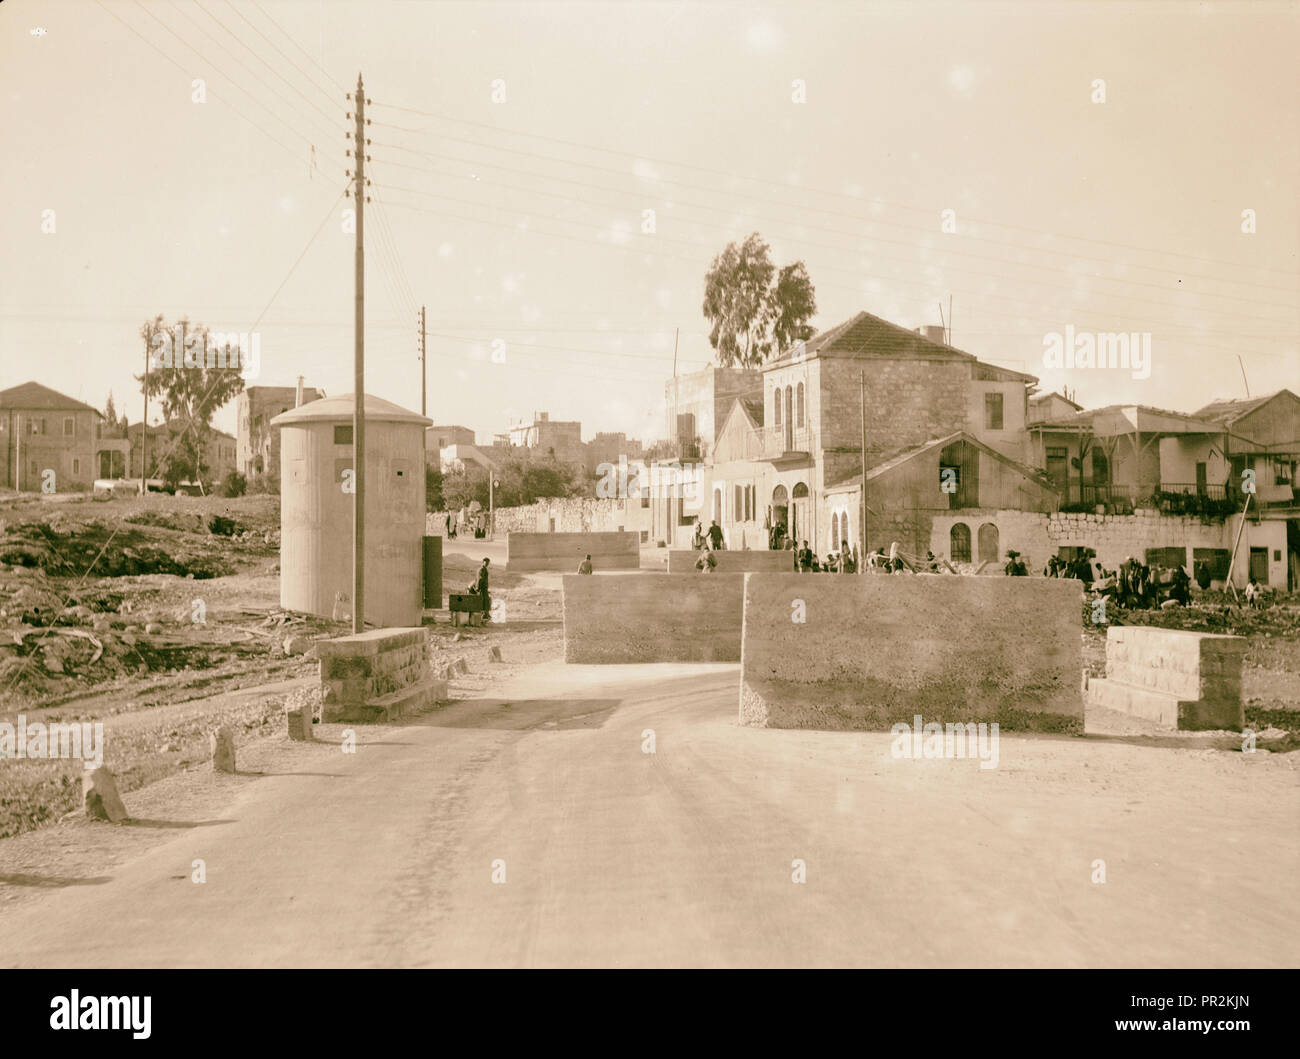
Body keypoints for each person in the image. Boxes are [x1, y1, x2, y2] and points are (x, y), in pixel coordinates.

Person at [471, 557, 491, 623]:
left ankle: (484, 616)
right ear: (483, 562)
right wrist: (478, 588)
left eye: (488, 562)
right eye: (486, 562)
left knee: (485, 602)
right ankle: (484, 617)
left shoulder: (481, 569)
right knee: (485, 602)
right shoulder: (482, 569)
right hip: (482, 588)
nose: (487, 564)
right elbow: (480, 579)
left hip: (483, 588)